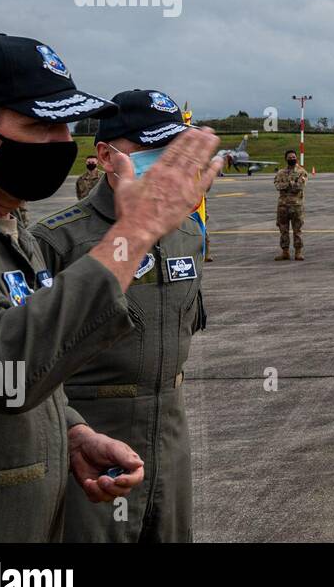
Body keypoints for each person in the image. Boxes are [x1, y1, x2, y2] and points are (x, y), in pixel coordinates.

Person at [0, 34, 221, 541]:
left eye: (66, 124)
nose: (63, 142)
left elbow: (39, 357)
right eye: (41, 124)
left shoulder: (7, 232)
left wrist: (72, 432)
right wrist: (134, 233)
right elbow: (0, 370)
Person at [33, 89, 207, 542]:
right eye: (152, 150)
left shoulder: (187, 233)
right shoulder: (59, 242)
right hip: (92, 440)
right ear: (107, 157)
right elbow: (29, 358)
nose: (167, 162)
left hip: (170, 433)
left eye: (175, 149)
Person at [273, 149, 306, 261]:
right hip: (283, 206)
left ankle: (298, 252)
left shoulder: (301, 171)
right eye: (290, 157)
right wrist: (291, 184)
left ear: (296, 158)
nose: (292, 159)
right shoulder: (280, 172)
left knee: (297, 230)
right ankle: (285, 252)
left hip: (296, 206)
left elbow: (299, 187)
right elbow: (277, 186)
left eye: (293, 157)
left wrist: (286, 185)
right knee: (283, 230)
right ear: (286, 159)